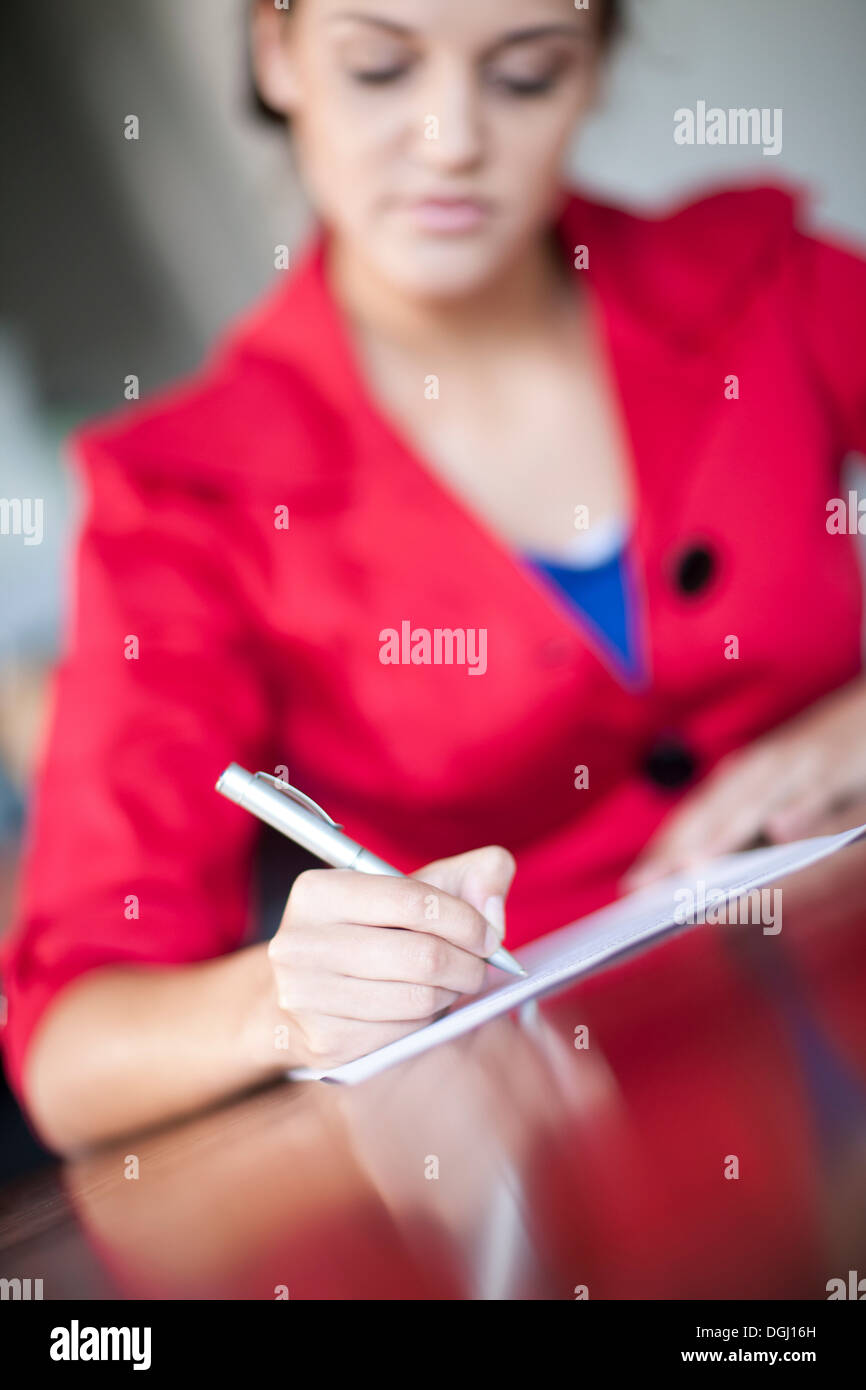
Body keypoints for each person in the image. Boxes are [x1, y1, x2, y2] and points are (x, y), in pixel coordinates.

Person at [3, 0, 866, 1154]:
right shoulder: (188, 497)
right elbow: (72, 1054)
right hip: (580, 1154)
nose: (450, 137)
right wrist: (281, 1002)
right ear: (275, 51)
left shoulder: (764, 281)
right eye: (378, 68)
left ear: (594, 66)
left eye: (521, 76)